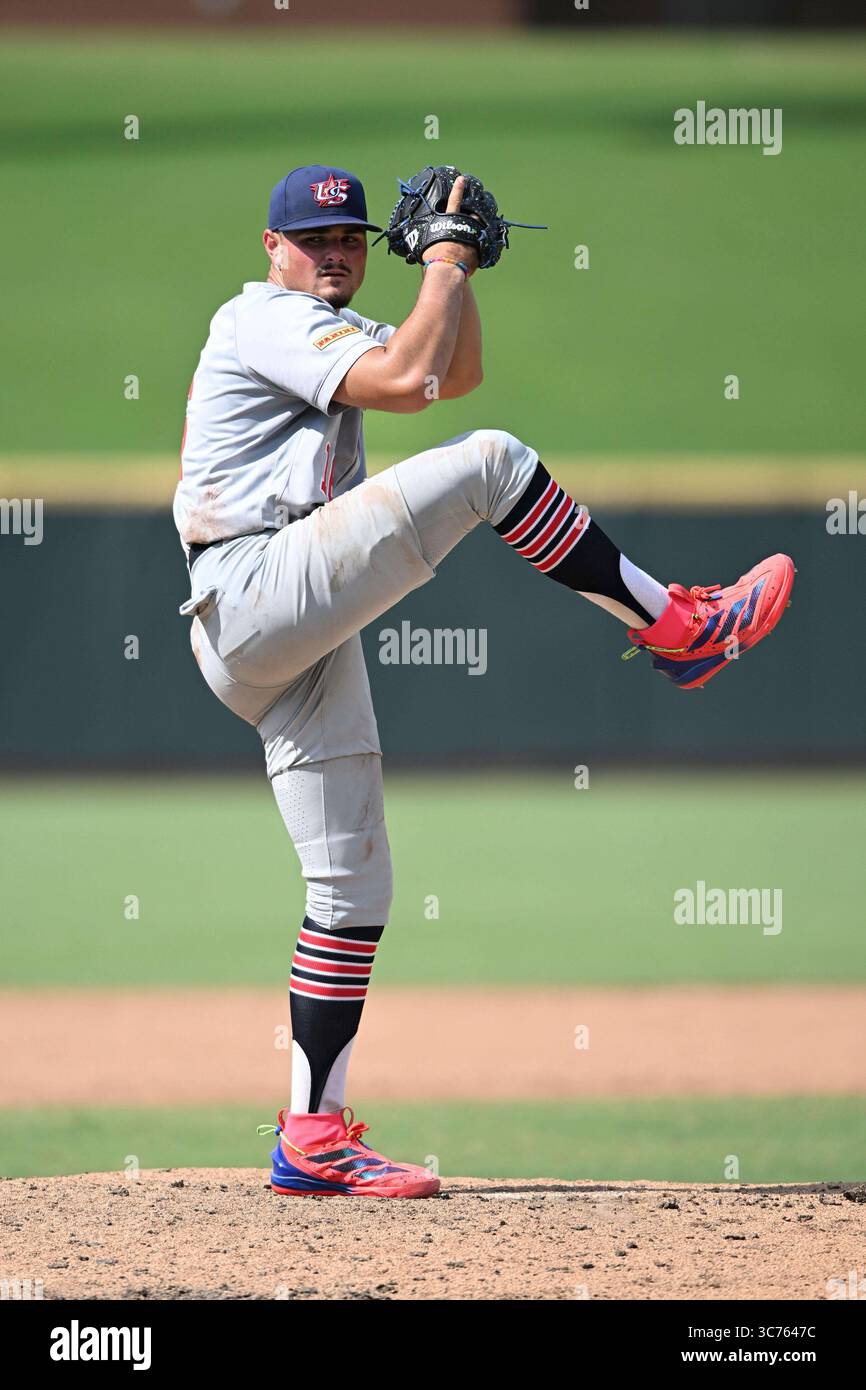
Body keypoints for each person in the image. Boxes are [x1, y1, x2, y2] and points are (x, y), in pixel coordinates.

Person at [174, 164, 794, 1199]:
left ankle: (311, 1135)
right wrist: (447, 256)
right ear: (271, 247)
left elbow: (439, 380)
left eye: (351, 237)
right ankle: (679, 628)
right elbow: (405, 380)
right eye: (311, 237)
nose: (333, 251)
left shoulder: (328, 322)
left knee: (351, 887)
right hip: (253, 586)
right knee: (497, 461)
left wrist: (455, 276)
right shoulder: (262, 318)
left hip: (286, 621)